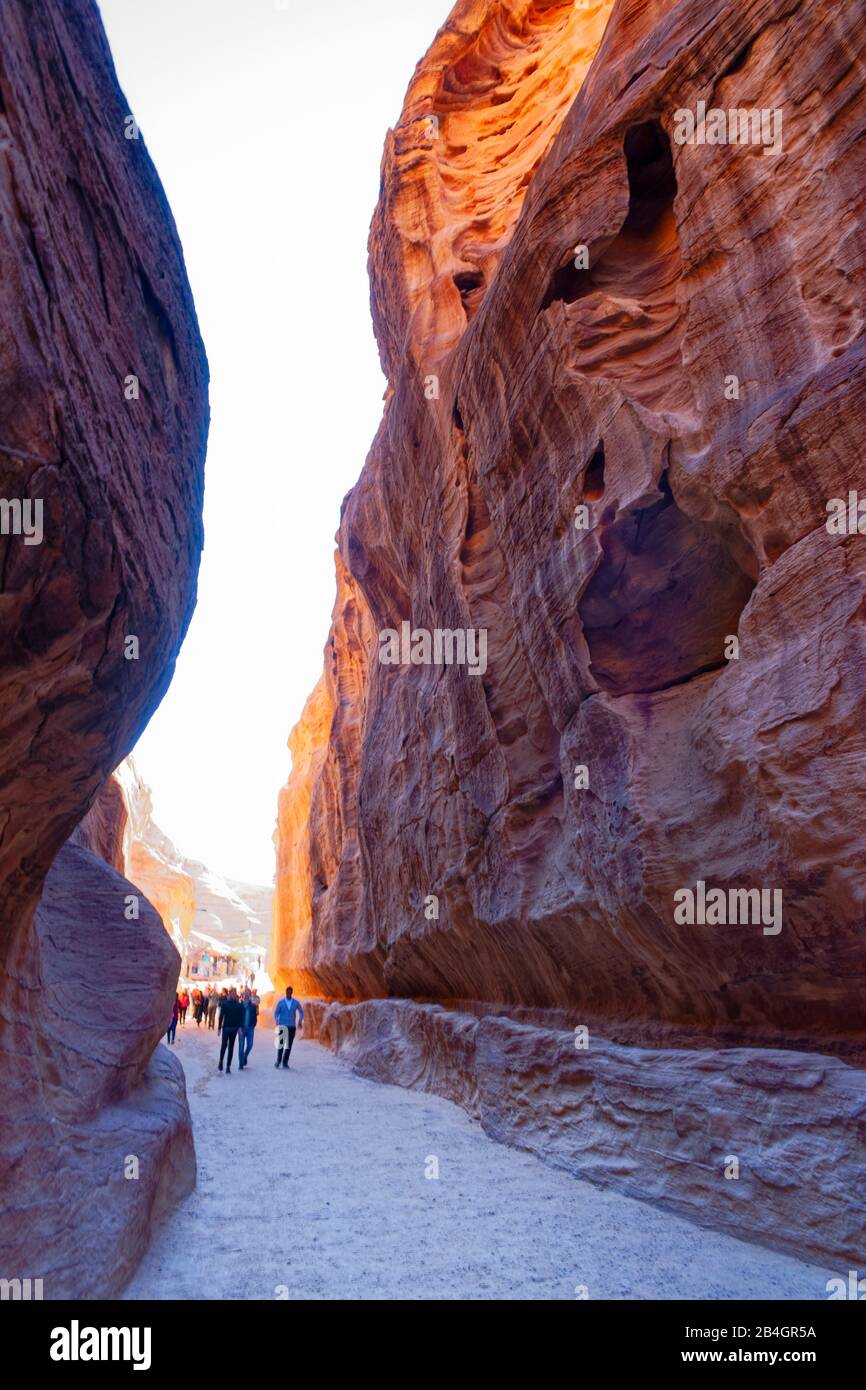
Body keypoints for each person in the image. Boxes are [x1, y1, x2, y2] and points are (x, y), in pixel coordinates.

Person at [274, 986, 304, 1069]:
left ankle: (285, 1062)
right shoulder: (281, 1002)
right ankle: (278, 1060)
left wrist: (300, 1021)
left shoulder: (295, 1003)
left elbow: (301, 1011)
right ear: (286, 992)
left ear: (292, 993)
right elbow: (276, 1013)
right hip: (283, 1025)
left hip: (292, 1026)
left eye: (290, 992)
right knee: (281, 1045)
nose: (289, 994)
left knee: (289, 1045)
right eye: (288, 992)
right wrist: (276, 1019)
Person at [217, 987, 245, 1074]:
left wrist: (240, 1028)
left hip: (234, 1029)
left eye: (234, 993)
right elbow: (221, 1016)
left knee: (231, 1047)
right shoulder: (225, 1004)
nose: (233, 995)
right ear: (229, 994)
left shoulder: (239, 1005)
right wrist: (219, 1028)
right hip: (226, 1028)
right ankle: (221, 1061)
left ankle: (228, 1066)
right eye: (232, 993)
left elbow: (241, 1017)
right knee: (224, 1045)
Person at [238, 987, 260, 1069]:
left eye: (248, 993)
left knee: (250, 1045)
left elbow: (255, 1016)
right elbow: (237, 1018)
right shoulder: (239, 1005)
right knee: (241, 1046)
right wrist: (239, 1028)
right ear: (243, 994)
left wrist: (253, 1025)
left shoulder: (253, 1006)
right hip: (241, 1028)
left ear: (250, 995)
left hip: (250, 1028)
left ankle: (245, 1056)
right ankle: (241, 1064)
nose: (246, 994)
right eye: (245, 993)